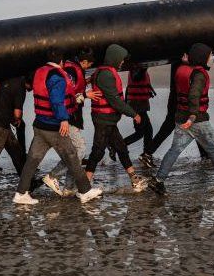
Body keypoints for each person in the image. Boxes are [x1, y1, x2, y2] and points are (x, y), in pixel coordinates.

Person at [12, 47, 102, 205]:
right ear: (61, 61)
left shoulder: (40, 71)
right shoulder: (57, 77)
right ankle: (85, 191)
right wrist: (63, 119)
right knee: (72, 157)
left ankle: (20, 194)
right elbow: (56, 100)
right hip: (54, 127)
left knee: (32, 161)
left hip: (39, 125)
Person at [148, 44, 214, 195]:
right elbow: (194, 95)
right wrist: (193, 116)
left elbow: (187, 80)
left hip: (180, 117)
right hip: (197, 120)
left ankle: (158, 180)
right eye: (208, 55)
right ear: (201, 57)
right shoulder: (199, 75)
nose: (210, 57)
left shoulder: (182, 69)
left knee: (175, 150)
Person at [84, 44, 147, 192]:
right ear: (114, 59)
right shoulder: (106, 75)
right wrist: (134, 114)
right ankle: (85, 185)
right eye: (120, 60)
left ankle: (133, 178)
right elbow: (115, 101)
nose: (122, 62)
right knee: (98, 151)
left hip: (109, 120)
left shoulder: (106, 72)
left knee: (121, 148)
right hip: (103, 119)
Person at [42, 47, 101, 197]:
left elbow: (73, 88)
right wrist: (86, 95)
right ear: (84, 61)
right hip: (69, 117)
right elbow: (67, 94)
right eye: (88, 65)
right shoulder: (72, 71)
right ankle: (53, 176)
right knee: (79, 151)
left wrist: (86, 82)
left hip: (72, 117)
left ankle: (69, 188)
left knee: (74, 152)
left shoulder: (73, 69)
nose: (88, 68)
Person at [143, 56, 184, 165]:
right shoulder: (182, 62)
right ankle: (147, 152)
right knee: (197, 125)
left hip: (176, 97)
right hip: (179, 98)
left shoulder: (178, 60)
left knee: (169, 126)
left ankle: (147, 152)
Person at [123, 62, 155, 159]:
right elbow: (137, 77)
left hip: (140, 104)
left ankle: (146, 154)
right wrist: (144, 68)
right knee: (140, 133)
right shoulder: (136, 69)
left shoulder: (137, 68)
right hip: (137, 105)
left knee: (148, 131)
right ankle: (118, 145)